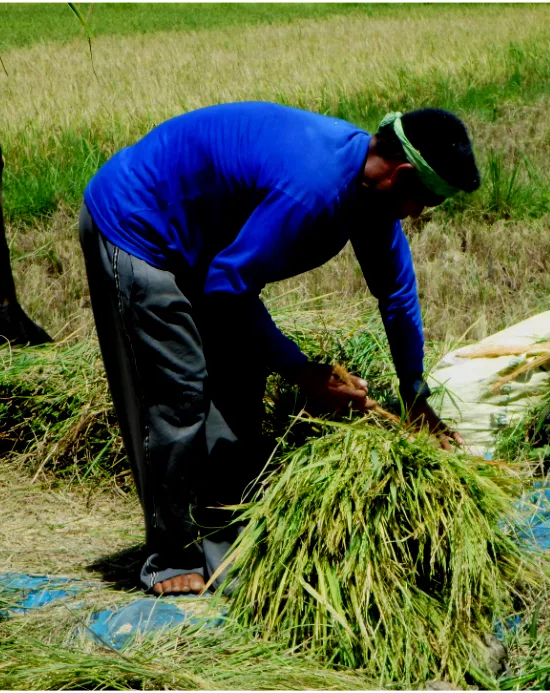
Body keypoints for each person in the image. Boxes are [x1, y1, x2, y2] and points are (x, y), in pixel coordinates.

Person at [78, 102, 480, 596]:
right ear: (399, 176)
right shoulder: (313, 188)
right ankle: (169, 555)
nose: (417, 216)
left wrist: (414, 394)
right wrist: (302, 372)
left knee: (243, 376)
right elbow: (229, 286)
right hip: (139, 224)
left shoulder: (369, 193)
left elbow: (396, 294)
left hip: (207, 248)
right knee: (179, 391)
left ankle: (223, 535)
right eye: (425, 203)